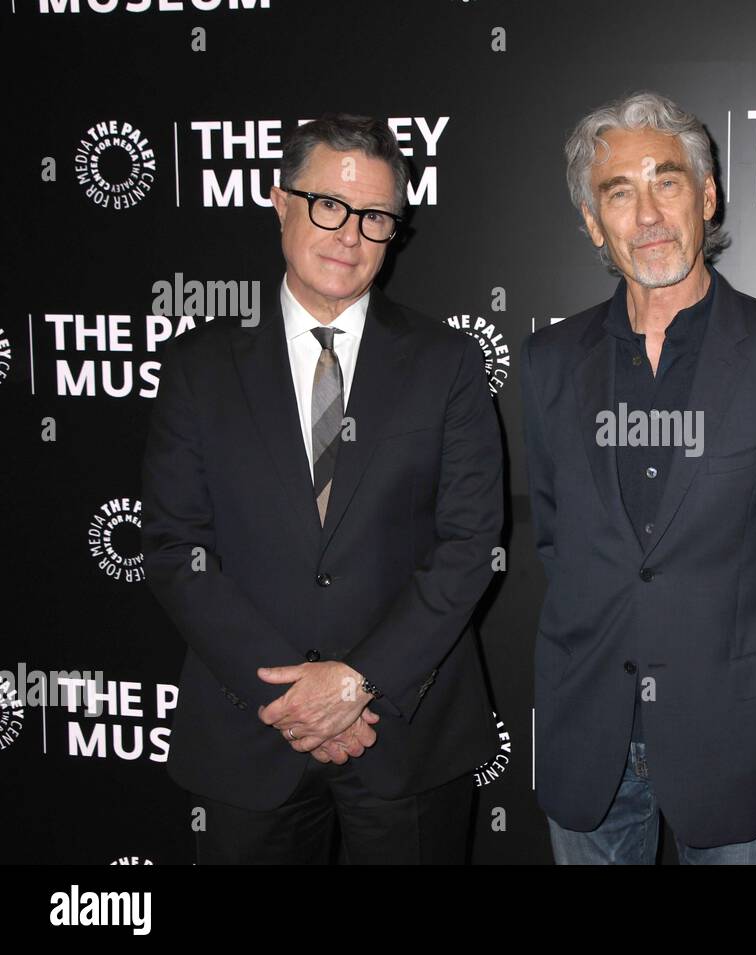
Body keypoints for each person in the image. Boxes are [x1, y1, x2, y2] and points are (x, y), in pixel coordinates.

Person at [141, 113, 503, 864]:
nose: (350, 234)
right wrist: (291, 697)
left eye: (375, 217)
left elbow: (468, 545)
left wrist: (360, 682)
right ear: (281, 203)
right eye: (329, 206)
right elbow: (176, 549)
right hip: (250, 733)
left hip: (408, 735)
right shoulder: (198, 369)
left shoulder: (448, 363)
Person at [519, 91, 756, 864]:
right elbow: (558, 536)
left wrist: (742, 657)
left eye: (666, 182)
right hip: (585, 733)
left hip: (734, 729)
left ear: (706, 196)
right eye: (618, 192)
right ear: (591, 221)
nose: (647, 215)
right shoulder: (548, 362)